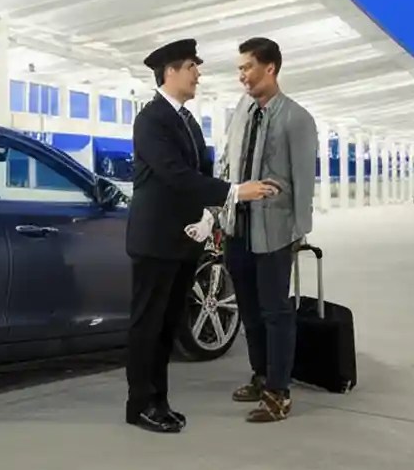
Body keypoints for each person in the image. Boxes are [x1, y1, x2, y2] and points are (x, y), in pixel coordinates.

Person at [124, 38, 269, 434]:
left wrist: (208, 215)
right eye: (191, 66)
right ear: (170, 72)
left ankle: (159, 401)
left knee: (168, 326)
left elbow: (199, 175)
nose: (198, 74)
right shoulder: (151, 119)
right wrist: (234, 192)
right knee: (148, 326)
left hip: (185, 240)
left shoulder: (186, 120)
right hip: (155, 241)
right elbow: (175, 174)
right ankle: (140, 404)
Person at [218, 36, 317, 423]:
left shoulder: (296, 118)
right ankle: (260, 376)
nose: (241, 75)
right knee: (249, 309)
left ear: (270, 68)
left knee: (276, 311)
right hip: (238, 228)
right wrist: (220, 214)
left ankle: (279, 392)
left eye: (247, 67)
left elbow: (303, 182)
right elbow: (226, 164)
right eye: (240, 68)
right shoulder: (241, 112)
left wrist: (298, 231)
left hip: (274, 231)